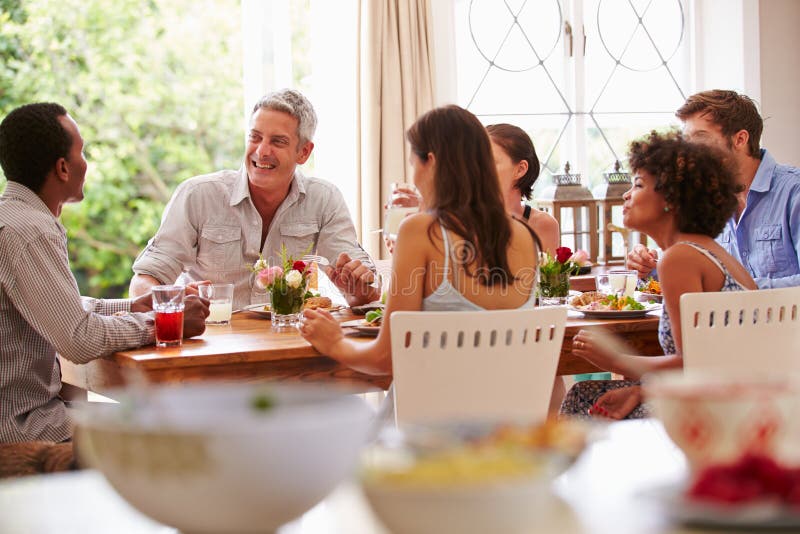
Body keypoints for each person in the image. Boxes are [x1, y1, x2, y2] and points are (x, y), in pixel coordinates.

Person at [299, 105, 544, 403]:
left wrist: (335, 342)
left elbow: (386, 358)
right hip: (508, 434)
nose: (413, 173)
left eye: (413, 161)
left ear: (431, 161)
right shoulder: (523, 235)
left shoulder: (420, 231)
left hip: (429, 436)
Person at [0, 103, 209, 443]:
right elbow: (78, 340)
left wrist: (132, 307)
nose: (87, 162)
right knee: (173, 429)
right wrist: (166, 322)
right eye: (82, 152)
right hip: (21, 426)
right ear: (63, 168)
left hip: (32, 412)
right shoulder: (31, 230)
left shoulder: (12, 218)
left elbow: (57, 308)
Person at [560, 131, 757, 420]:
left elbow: (693, 365)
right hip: (738, 400)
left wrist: (615, 360)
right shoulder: (709, 252)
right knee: (586, 393)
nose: (626, 195)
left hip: (717, 412)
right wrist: (642, 390)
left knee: (584, 401)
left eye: (638, 184)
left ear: (671, 199)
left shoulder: (680, 258)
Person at [129, 89, 379, 308]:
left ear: (303, 152)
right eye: (255, 137)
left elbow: (363, 295)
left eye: (278, 141)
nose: (261, 151)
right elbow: (145, 281)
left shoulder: (324, 199)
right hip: (208, 345)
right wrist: (173, 301)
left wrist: (359, 286)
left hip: (285, 347)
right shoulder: (198, 195)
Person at [627, 90, 800, 289]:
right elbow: (691, 268)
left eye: (701, 137)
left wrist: (733, 289)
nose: (689, 150)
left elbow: (714, 284)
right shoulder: (705, 199)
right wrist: (650, 267)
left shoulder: (793, 192)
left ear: (740, 139)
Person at [486, 123, 560, 255]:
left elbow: (549, 275)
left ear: (520, 169)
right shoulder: (466, 222)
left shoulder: (544, 224)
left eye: (490, 161)